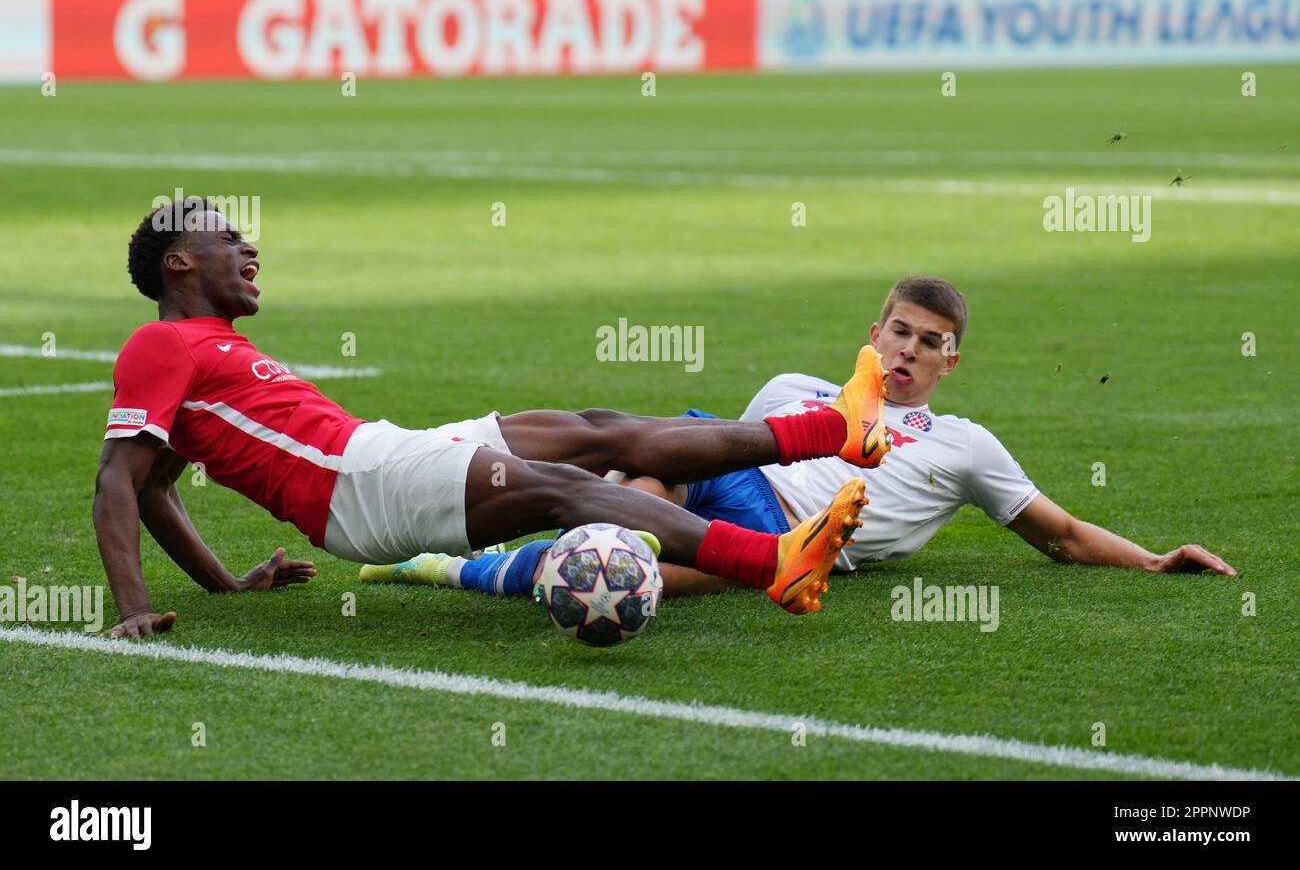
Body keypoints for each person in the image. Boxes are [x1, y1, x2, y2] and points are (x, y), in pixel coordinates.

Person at [92, 198, 890, 637]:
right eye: (229, 238)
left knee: (595, 428)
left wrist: (230, 585)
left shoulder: (211, 343)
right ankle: (771, 562)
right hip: (359, 488)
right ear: (180, 260)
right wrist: (133, 606)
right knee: (557, 489)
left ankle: (834, 429)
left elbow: (161, 489)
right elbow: (122, 482)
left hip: (380, 452)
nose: (250, 249)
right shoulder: (161, 342)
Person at [366, 277, 1234, 600]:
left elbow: (1063, 535)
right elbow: (716, 451)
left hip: (791, 534)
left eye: (930, 341)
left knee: (647, 571)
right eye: (899, 331)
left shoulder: (965, 444)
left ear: (950, 361)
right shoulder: (796, 390)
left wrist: (1154, 561)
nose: (909, 349)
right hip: (730, 473)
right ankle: (475, 521)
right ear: (876, 332)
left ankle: (442, 566)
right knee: (631, 480)